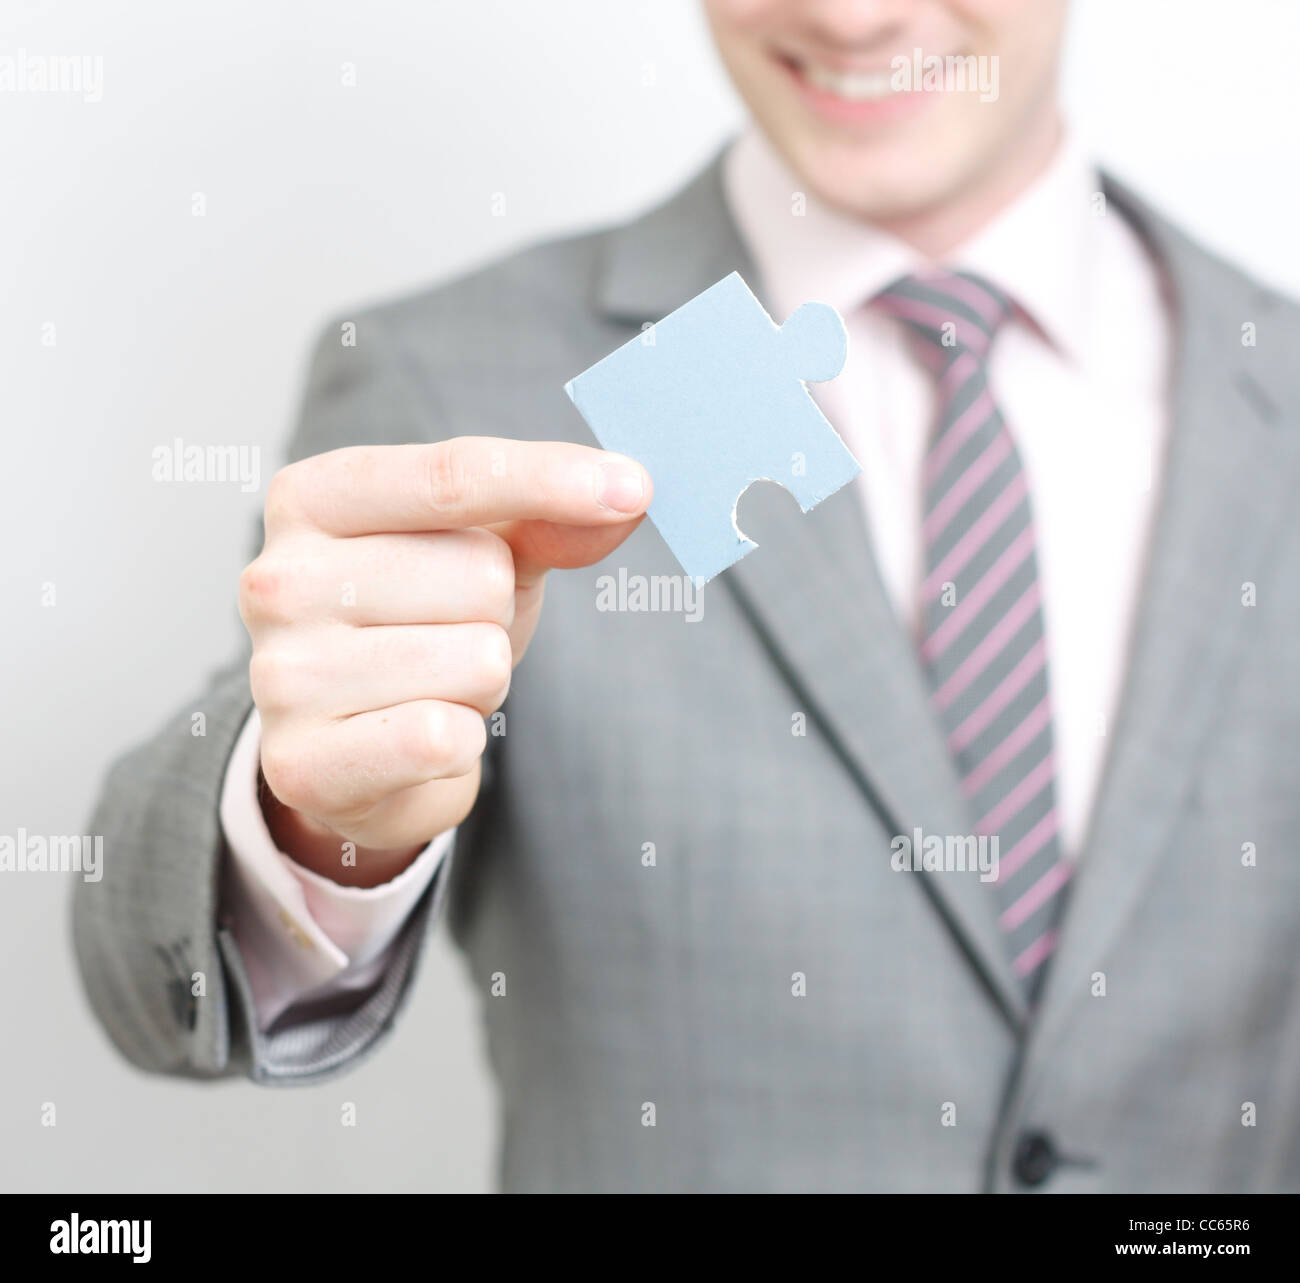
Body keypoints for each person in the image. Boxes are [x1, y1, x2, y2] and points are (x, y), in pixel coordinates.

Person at [75, 0, 1300, 1193]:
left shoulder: (1275, 384)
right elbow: (145, 970)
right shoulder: (459, 381)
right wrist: (314, 823)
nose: (852, 18)